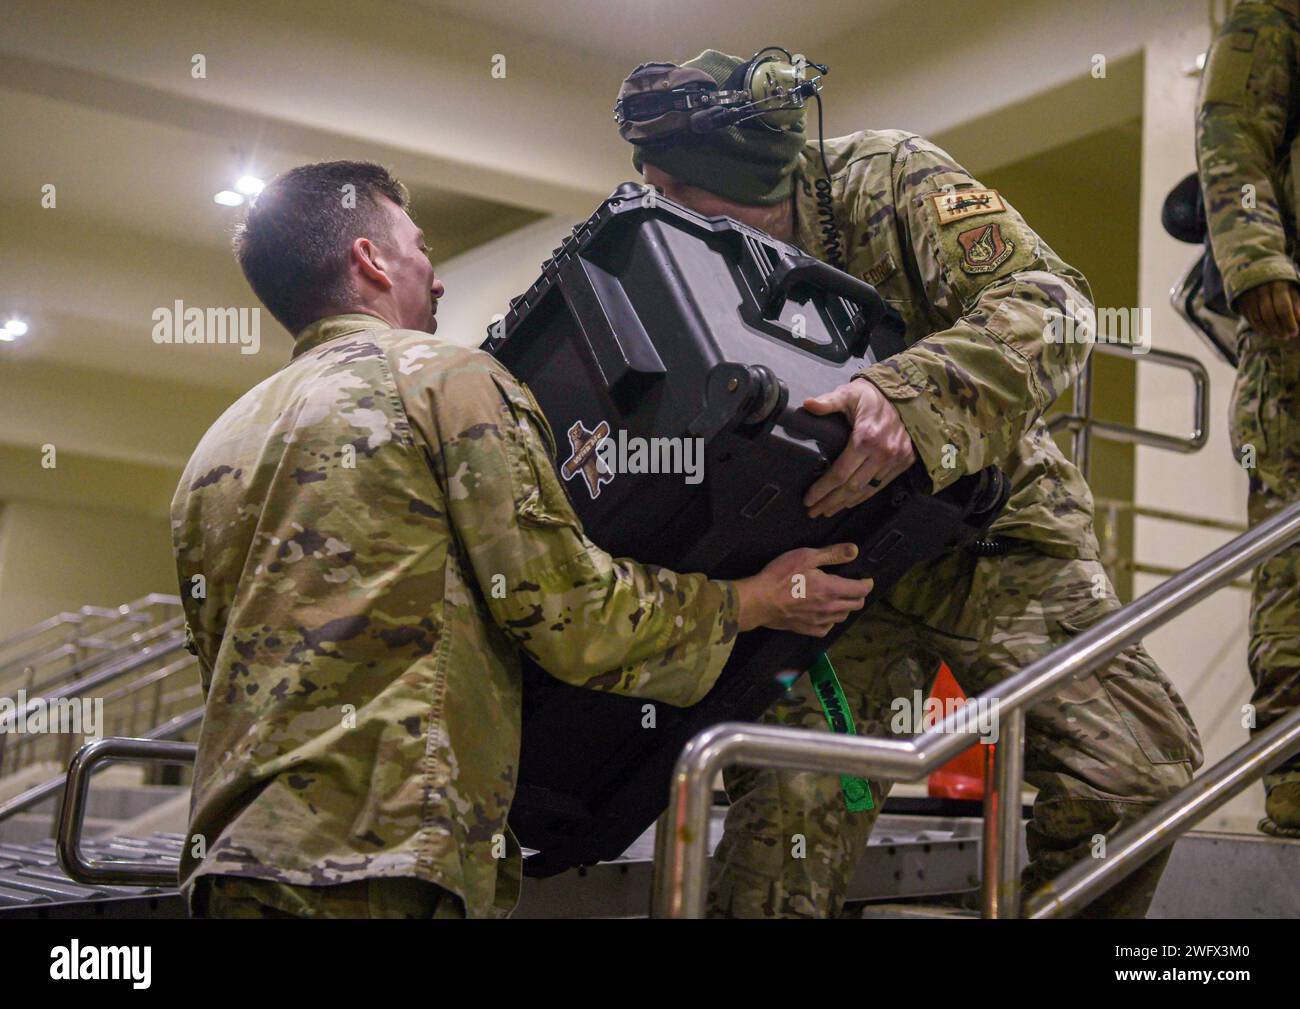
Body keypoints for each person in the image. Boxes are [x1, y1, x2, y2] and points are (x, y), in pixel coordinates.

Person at [170, 160, 874, 918]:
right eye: (421, 249)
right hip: (386, 857)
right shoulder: (446, 380)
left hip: (233, 860)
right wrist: (752, 601)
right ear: (370, 260)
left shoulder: (216, 448)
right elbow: (570, 612)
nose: (435, 280)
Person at [614, 49, 1204, 917]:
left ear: (761, 186)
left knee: (1137, 775)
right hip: (830, 572)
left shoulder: (886, 179)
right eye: (654, 194)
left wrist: (907, 395)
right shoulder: (666, 246)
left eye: (689, 203)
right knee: (788, 838)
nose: (669, 220)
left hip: (992, 537)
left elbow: (1055, 306)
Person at [1198, 0, 1300, 838]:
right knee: (1294, 564)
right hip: (1296, 339)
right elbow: (1231, 129)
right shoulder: (1276, 11)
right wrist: (1256, 256)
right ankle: (1296, 787)